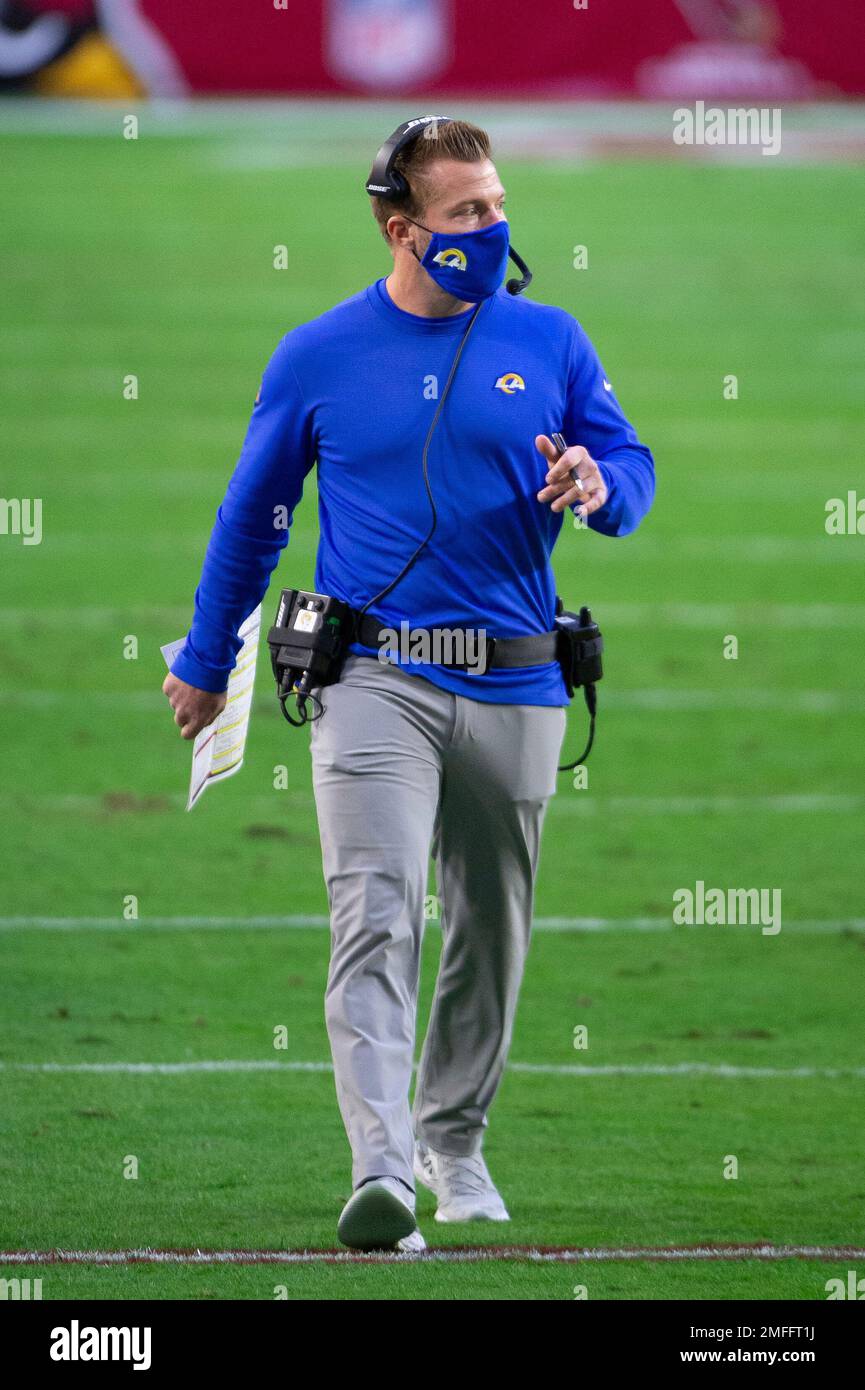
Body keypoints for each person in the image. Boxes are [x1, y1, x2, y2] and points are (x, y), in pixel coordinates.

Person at [162, 115, 655, 1253]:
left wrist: (597, 479)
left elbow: (629, 468)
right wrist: (201, 657)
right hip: (371, 680)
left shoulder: (552, 337)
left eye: (496, 203)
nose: (492, 226)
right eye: (465, 212)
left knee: (492, 924)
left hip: (519, 681)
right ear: (401, 227)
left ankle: (453, 1137)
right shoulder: (318, 355)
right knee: (374, 916)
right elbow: (253, 518)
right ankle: (379, 1171)